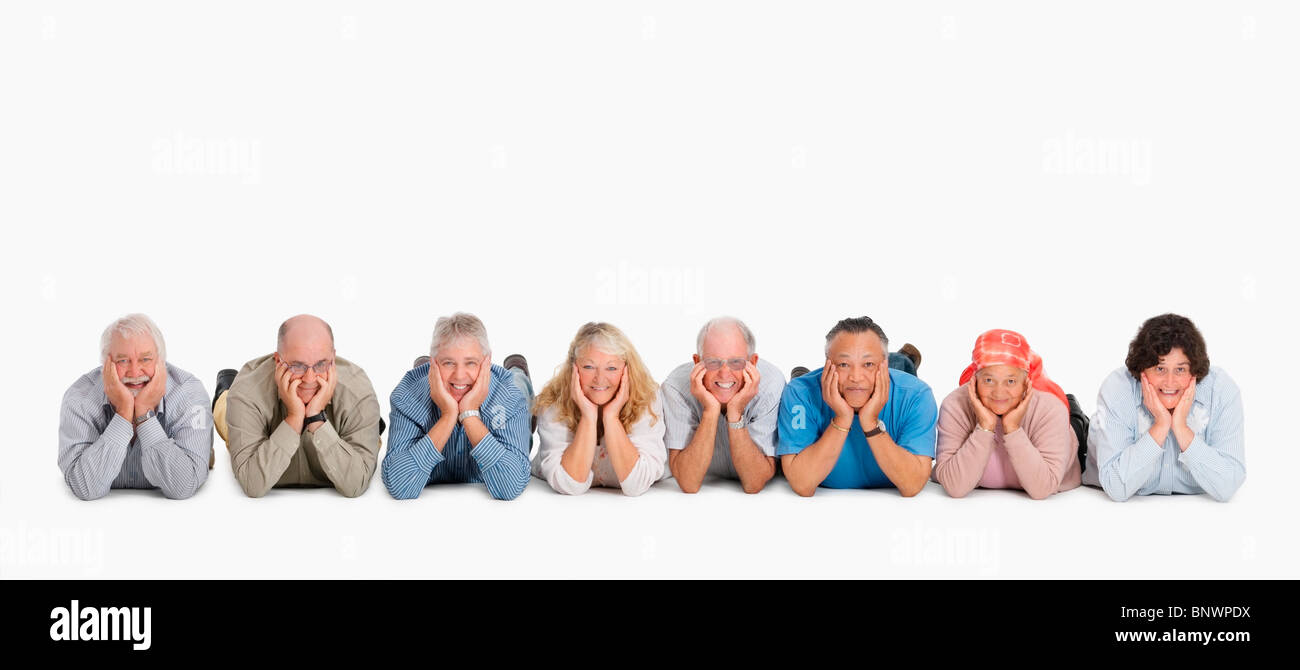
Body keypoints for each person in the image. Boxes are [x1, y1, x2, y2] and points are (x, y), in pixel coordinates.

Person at [1084, 313, 1245, 502]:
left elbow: (1229, 484)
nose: (1169, 382)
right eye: (1160, 369)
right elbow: (1115, 487)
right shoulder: (1118, 390)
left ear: (1194, 371)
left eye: (1180, 369)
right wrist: (1160, 426)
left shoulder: (1221, 391)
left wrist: (1181, 429)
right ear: (1142, 369)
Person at [220, 314, 382, 497]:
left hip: (344, 407)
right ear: (278, 360)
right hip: (242, 401)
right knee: (224, 410)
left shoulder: (357, 390)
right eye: (297, 366)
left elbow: (356, 483)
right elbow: (252, 484)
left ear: (333, 359)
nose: (309, 379)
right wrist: (294, 418)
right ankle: (223, 391)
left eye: (321, 364)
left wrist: (316, 418)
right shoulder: (247, 392)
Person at [777, 316, 936, 497]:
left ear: (884, 366)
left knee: (903, 366)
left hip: (895, 374)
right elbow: (802, 484)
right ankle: (802, 374)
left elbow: (912, 484)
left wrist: (870, 422)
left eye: (868, 364)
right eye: (843, 364)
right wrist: (842, 419)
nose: (856, 377)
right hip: (816, 386)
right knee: (813, 383)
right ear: (827, 364)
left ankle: (904, 359)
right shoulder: (798, 393)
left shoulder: (917, 394)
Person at [58, 314, 212, 500]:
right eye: (123, 360)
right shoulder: (79, 398)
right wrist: (123, 413)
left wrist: (145, 413)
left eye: (145, 359)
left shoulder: (190, 395)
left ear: (161, 360)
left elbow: (184, 486)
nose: (135, 372)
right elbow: (84, 487)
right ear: (105, 363)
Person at [381, 313, 534, 501]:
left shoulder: (509, 394)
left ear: (487, 362)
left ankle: (517, 367)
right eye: (448, 363)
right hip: (425, 382)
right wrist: (448, 415)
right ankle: (425, 367)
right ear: (433, 363)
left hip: (512, 389)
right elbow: (399, 485)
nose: (460, 375)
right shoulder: (407, 396)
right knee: (437, 382)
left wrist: (469, 415)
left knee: (521, 384)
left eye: (471, 362)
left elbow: (512, 486)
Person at [932, 329, 1081, 499]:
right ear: (974, 380)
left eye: (1010, 381)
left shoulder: (1052, 409)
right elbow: (955, 487)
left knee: (1075, 421)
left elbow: (1042, 489)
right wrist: (985, 427)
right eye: (988, 380)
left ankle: (1075, 408)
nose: (999, 393)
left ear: (1026, 383)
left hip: (1067, 430)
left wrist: (1013, 429)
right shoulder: (954, 405)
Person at [531, 322, 667, 496]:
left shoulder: (646, 397)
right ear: (574, 369)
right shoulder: (553, 401)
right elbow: (569, 484)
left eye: (611, 368)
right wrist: (588, 417)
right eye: (589, 367)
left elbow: (636, 485)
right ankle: (519, 375)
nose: (600, 379)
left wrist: (611, 417)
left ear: (627, 370)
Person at [661, 317, 784, 493]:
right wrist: (710, 411)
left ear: (753, 362)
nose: (724, 373)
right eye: (713, 362)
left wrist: (735, 412)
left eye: (736, 362)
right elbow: (688, 483)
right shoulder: (676, 387)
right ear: (697, 362)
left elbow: (754, 483)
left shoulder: (771, 384)